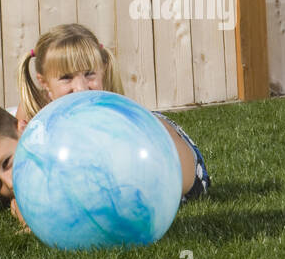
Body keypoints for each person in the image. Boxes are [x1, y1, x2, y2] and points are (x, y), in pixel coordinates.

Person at [19, 23, 211, 203]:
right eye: (66, 78)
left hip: (175, 161)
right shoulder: (34, 111)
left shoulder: (118, 119)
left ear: (102, 70)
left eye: (89, 74)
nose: (81, 88)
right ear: (44, 83)